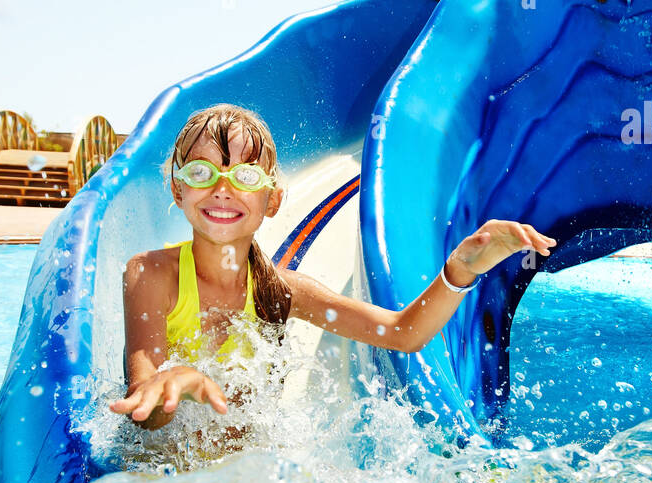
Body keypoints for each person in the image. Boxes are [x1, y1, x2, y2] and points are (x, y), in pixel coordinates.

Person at [109, 103, 555, 436]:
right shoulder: (150, 276)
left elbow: (403, 333)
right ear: (178, 188)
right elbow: (146, 410)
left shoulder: (283, 291)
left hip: (246, 478)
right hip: (168, 476)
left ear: (272, 200)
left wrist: (461, 269)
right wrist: (175, 382)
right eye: (203, 173)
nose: (223, 189)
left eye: (245, 178)